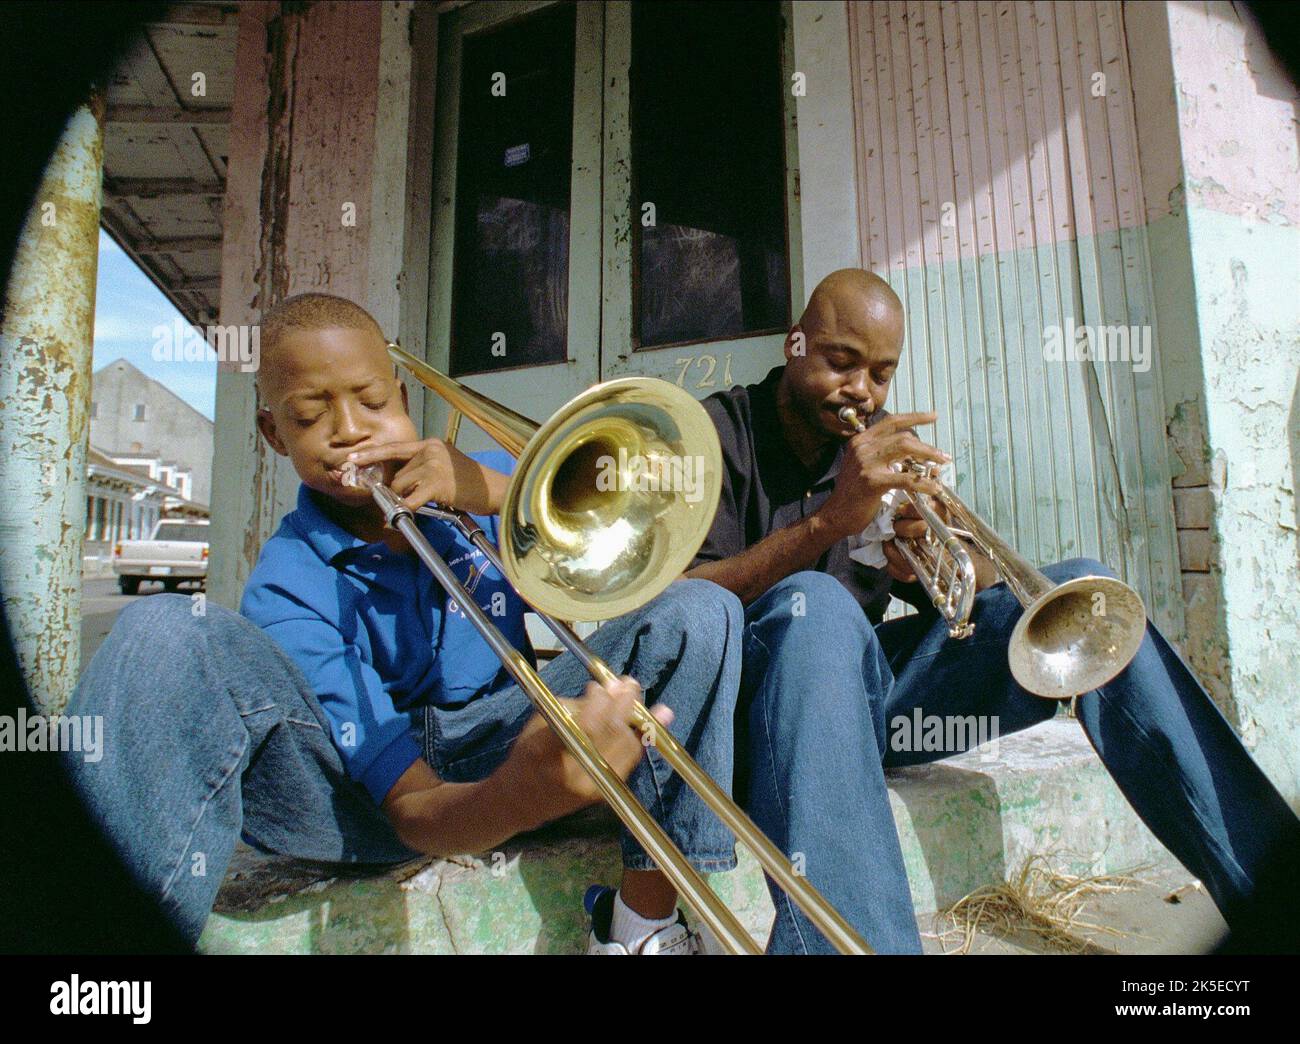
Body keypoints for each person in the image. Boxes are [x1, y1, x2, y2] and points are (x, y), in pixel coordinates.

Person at [64, 292, 749, 956]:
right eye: (309, 415)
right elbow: (408, 805)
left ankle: (639, 930)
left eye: (372, 401)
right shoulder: (287, 583)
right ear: (274, 434)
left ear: (404, 394)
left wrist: (500, 492)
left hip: (497, 734)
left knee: (701, 609)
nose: (350, 429)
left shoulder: (487, 489)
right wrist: (519, 797)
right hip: (358, 802)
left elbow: (639, 586)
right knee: (162, 629)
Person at [684, 268, 1300, 954]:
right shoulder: (714, 433)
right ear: (795, 343)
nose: (861, 390)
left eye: (881, 374)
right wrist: (828, 524)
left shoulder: (879, 444)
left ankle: (1274, 895)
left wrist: (931, 555)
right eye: (841, 362)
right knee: (816, 605)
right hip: (750, 721)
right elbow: (686, 601)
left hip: (868, 706)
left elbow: (973, 588)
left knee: (1088, 595)